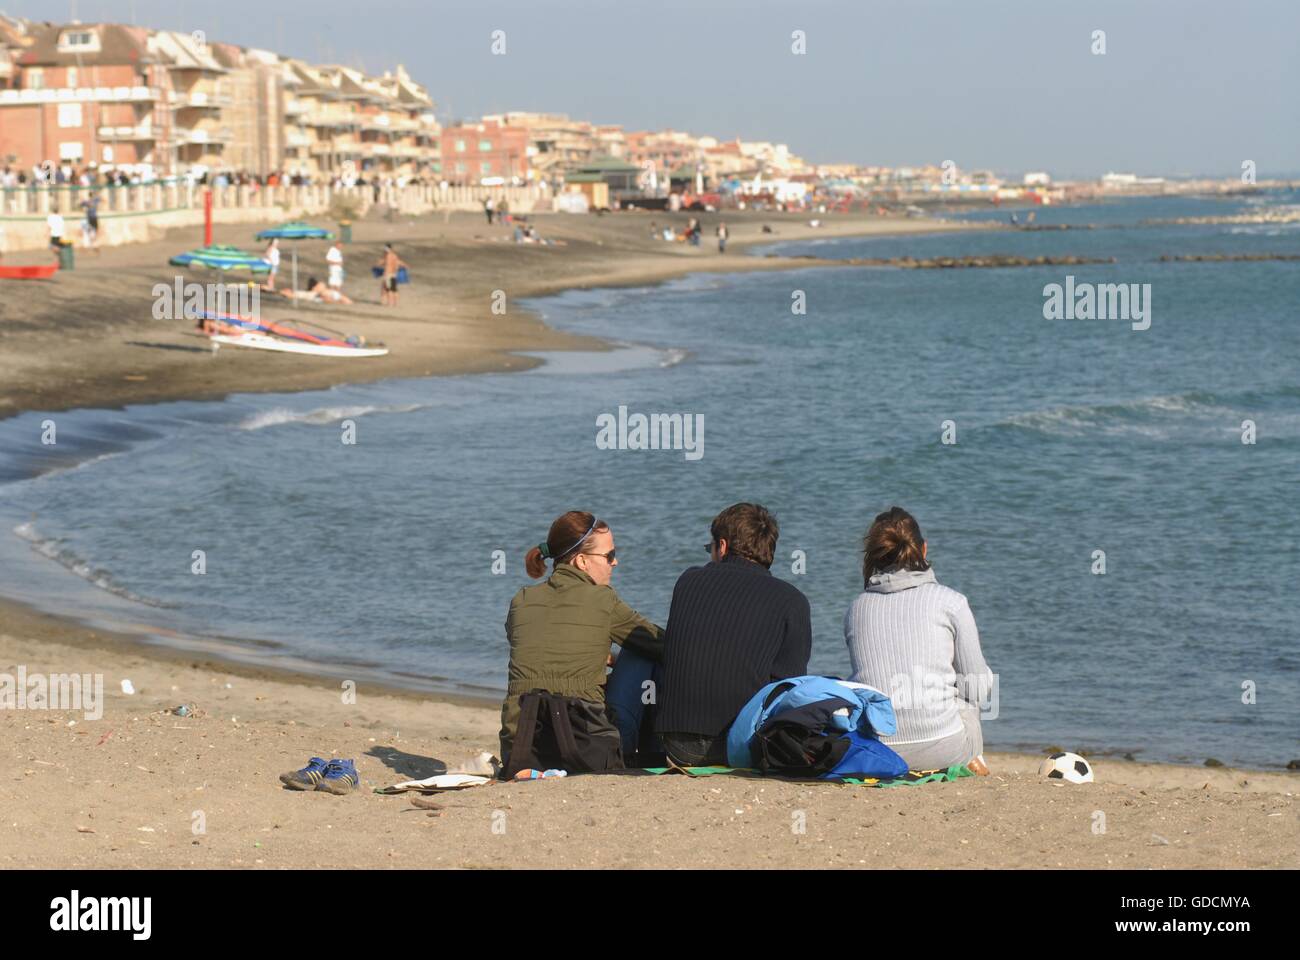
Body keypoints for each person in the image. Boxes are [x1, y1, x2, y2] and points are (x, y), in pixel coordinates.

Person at [500, 511, 664, 767]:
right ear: (581, 561)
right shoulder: (604, 601)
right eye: (609, 555)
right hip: (586, 750)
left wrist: (602, 655)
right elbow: (664, 645)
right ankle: (661, 750)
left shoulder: (521, 600)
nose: (615, 562)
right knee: (641, 653)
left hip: (519, 752)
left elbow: (541, 643)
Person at [655, 503, 812, 766]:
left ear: (723, 546)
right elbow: (788, 686)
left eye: (710, 549)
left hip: (679, 745)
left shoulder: (687, 582)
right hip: (743, 746)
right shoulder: (792, 601)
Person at [842, 507, 993, 774]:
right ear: (922, 550)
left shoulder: (857, 607)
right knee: (976, 688)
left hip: (879, 748)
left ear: (875, 556)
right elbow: (978, 690)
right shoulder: (951, 602)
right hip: (944, 746)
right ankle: (971, 760)